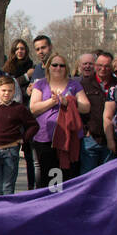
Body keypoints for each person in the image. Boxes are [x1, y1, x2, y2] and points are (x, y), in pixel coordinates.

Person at [28, 53, 88, 182]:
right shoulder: (40, 84)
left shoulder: (74, 85)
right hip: (45, 138)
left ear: (66, 68)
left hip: (69, 139)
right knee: (49, 177)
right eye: (54, 65)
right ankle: (50, 201)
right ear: (48, 67)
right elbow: (33, 108)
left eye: (62, 65)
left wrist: (69, 102)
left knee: (68, 176)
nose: (58, 68)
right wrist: (52, 101)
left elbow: (86, 107)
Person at [0, 76, 39, 196]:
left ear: (14, 91)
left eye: (10, 90)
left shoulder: (19, 108)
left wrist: (23, 139)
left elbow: (33, 125)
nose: (6, 93)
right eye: (3, 90)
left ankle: (6, 210)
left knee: (7, 185)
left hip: (11, 150)